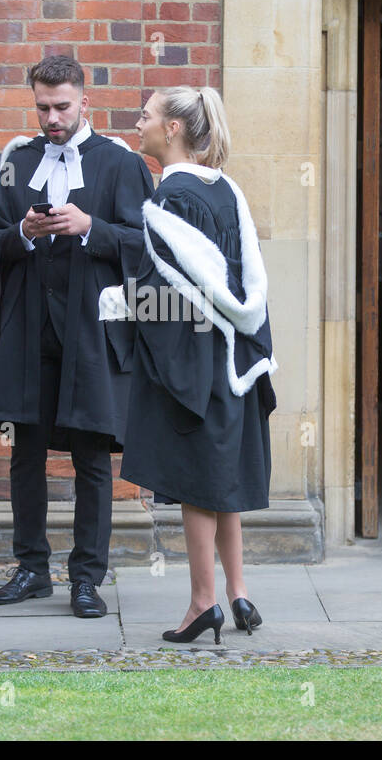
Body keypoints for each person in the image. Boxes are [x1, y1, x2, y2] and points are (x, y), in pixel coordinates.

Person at [0, 54, 153, 618]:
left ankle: (86, 578)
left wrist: (90, 227)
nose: (52, 118)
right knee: (24, 452)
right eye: (43, 107)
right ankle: (31, 569)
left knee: (91, 457)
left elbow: (147, 245)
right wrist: (23, 232)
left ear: (84, 102)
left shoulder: (120, 164)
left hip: (91, 332)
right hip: (29, 326)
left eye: (62, 106)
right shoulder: (18, 161)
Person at [101, 85, 277, 644]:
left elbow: (167, 297)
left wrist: (119, 302)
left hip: (195, 364)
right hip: (234, 358)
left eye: (146, 116)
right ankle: (239, 591)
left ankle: (203, 601)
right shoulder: (226, 190)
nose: (138, 124)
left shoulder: (171, 198)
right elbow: (240, 283)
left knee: (198, 481)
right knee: (222, 475)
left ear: (172, 128)